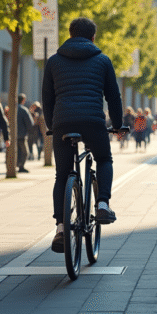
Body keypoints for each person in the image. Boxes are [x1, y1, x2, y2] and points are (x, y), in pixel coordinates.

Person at [42, 17, 124, 253]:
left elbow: (47, 97)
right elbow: (113, 97)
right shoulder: (102, 60)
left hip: (62, 122)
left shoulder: (54, 61)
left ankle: (60, 228)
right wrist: (117, 125)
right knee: (104, 159)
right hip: (92, 121)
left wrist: (52, 125)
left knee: (62, 174)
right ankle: (102, 204)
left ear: (69, 34)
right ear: (93, 37)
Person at [15, 93, 34, 172]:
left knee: (17, 151)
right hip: (22, 135)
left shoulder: (13, 109)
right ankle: (21, 166)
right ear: (23, 100)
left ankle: (17, 165)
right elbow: (30, 123)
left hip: (14, 135)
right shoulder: (24, 110)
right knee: (25, 152)